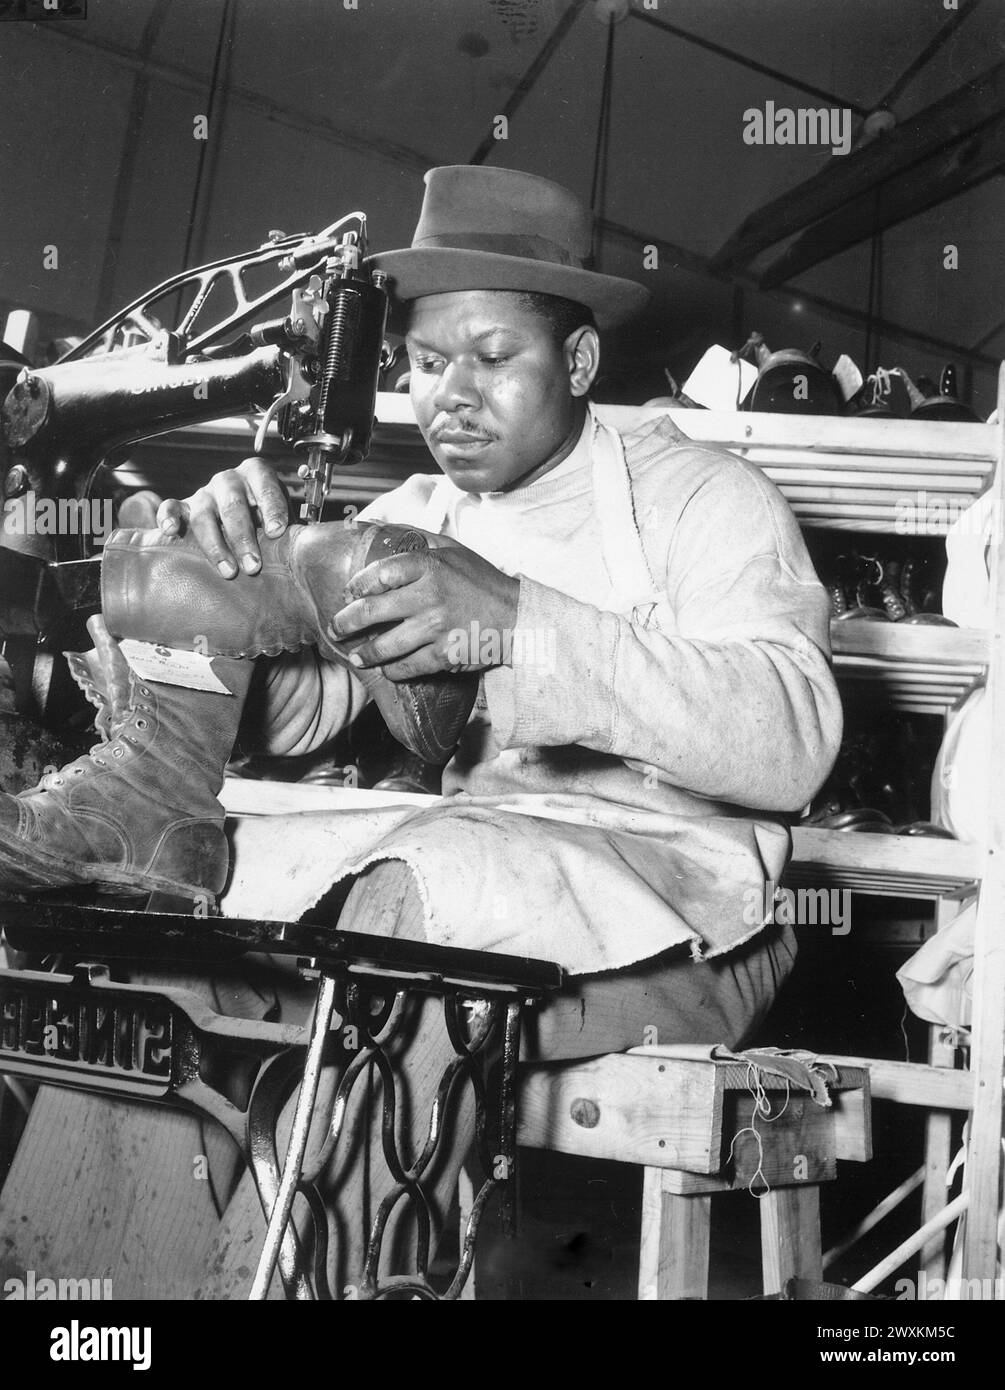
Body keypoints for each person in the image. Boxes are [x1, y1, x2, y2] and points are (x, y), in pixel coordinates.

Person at [0, 166, 842, 1297]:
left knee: (406, 909)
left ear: (579, 363)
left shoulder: (706, 499)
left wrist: (520, 625)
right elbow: (305, 717)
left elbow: (794, 738)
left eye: (492, 359)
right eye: (425, 361)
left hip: (695, 904)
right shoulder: (416, 517)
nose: (451, 394)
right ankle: (89, 1296)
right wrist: (202, 605)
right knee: (160, 905)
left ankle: (312, 1284)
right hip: (497, 864)